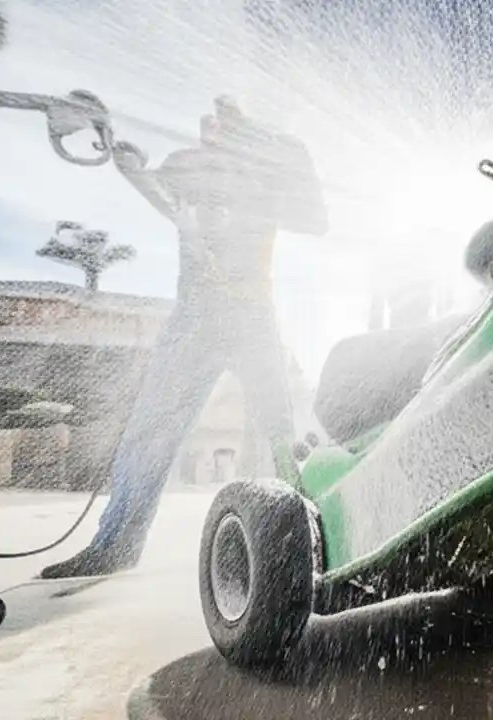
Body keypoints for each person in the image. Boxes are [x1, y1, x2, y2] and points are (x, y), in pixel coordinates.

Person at [41, 97, 327, 578]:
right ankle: (114, 546)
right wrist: (133, 172)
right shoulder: (187, 164)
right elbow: (167, 202)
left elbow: (316, 221)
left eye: (227, 122)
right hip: (193, 318)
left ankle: (306, 544)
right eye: (210, 121)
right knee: (148, 432)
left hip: (252, 317)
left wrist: (294, 159)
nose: (213, 126)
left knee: (279, 433)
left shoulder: (268, 174)